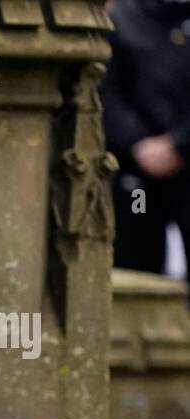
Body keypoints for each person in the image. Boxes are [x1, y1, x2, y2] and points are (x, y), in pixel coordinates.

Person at [100, 0, 190, 283]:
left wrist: (180, 145)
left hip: (186, 167)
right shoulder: (124, 19)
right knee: (134, 278)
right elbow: (105, 91)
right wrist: (138, 145)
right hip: (137, 177)